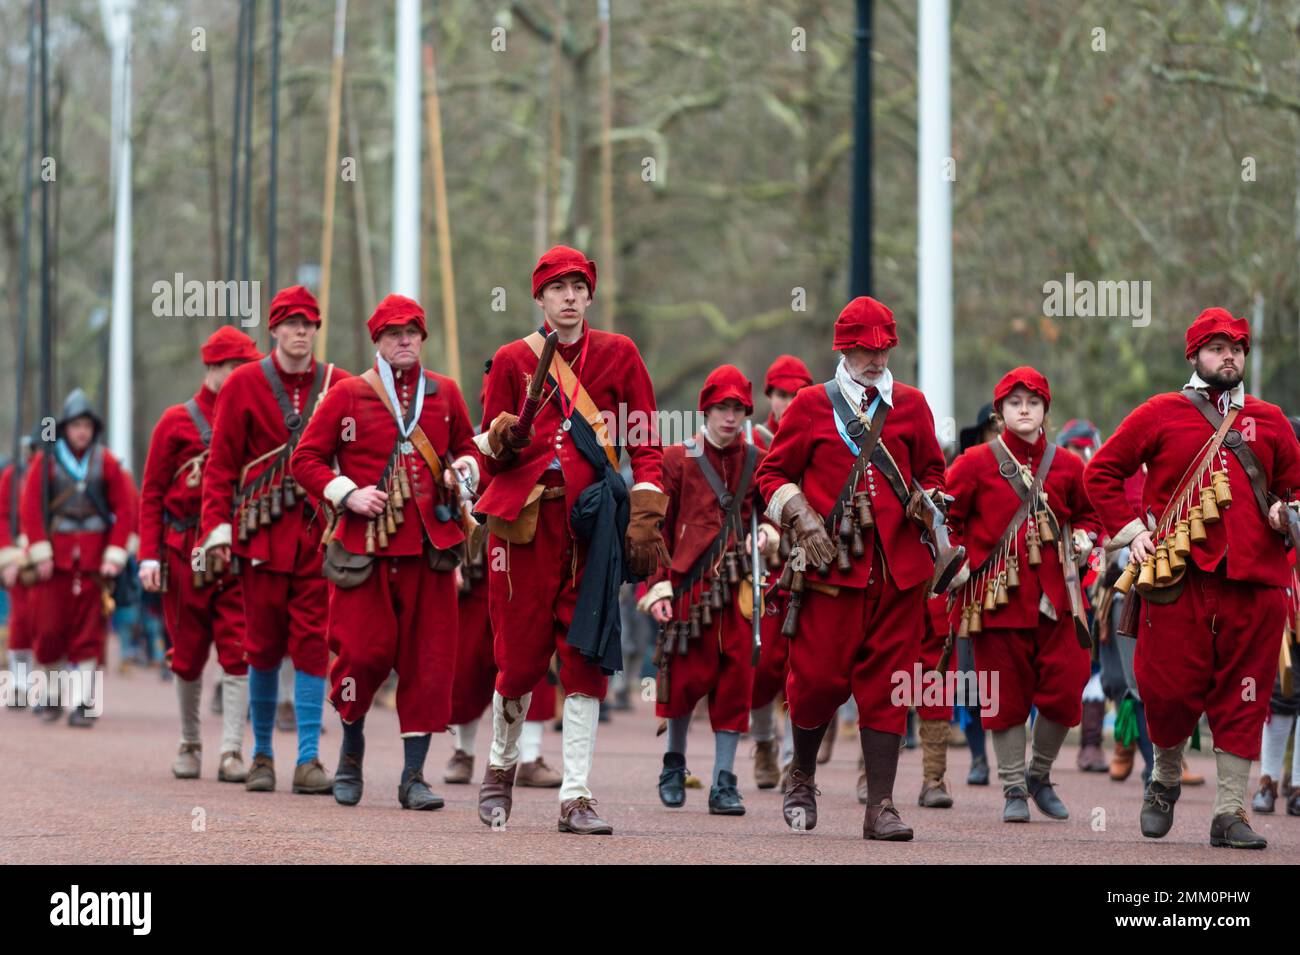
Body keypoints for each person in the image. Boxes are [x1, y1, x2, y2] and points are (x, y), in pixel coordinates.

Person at [1084, 307, 1300, 849]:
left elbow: (1295, 490)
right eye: (1217, 347)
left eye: (1237, 348)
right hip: (1177, 579)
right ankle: (1164, 776)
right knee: (1166, 690)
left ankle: (1230, 812)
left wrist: (1286, 513)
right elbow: (1102, 472)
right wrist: (1132, 532)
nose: (1229, 356)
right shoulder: (1160, 412)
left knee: (1245, 697)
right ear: (1195, 356)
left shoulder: (1271, 420)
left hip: (1254, 583)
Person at [473, 245, 668, 835]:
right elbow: (488, 457)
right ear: (539, 297)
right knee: (517, 661)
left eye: (578, 287)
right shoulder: (511, 360)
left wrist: (645, 516)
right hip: (525, 529)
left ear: (590, 295)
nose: (568, 297)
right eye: (557, 288)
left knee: (585, 658)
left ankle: (576, 796)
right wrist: (501, 439)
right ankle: (501, 768)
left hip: (592, 532)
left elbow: (647, 445)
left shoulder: (620, 354)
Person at [756, 296, 948, 841]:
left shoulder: (911, 405)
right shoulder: (812, 405)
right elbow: (771, 477)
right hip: (829, 571)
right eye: (864, 349)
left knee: (890, 687)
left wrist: (931, 497)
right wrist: (801, 517)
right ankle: (801, 775)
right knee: (815, 682)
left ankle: (881, 806)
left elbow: (933, 470)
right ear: (844, 349)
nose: (875, 358)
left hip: (898, 575)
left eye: (883, 348)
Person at [292, 294, 477, 809]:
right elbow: (305, 459)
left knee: (431, 663)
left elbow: (467, 446)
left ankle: (414, 777)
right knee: (360, 655)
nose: (404, 341)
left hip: (430, 551)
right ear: (377, 341)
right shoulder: (348, 394)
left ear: (422, 339)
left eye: (412, 333)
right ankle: (350, 755)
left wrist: (463, 470)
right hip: (363, 551)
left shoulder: (446, 392)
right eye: (394, 333)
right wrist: (345, 492)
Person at [200, 285, 350, 795]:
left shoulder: (339, 383)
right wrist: (216, 532)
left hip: (317, 536)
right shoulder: (243, 384)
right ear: (274, 329)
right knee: (261, 647)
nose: (300, 332)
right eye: (291, 324)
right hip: (259, 539)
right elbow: (220, 469)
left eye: (308, 324)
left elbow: (359, 457)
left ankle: (308, 759)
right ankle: (261, 754)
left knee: (312, 647)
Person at [945, 368, 1100, 823]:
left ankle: (1040, 775)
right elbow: (948, 521)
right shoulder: (973, 462)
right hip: (996, 597)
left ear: (1046, 411)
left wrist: (1086, 538)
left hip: (1058, 598)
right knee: (1004, 696)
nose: (1025, 409)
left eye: (1033, 402)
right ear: (1000, 413)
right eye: (1015, 403)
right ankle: (1013, 788)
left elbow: (1091, 516)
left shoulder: (1070, 465)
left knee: (1068, 686)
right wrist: (957, 559)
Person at [640, 364, 778, 815]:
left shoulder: (757, 459)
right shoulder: (677, 458)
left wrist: (768, 536)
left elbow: (773, 514)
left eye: (738, 408)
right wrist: (658, 587)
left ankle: (724, 781)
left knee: (736, 682)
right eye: (722, 407)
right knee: (681, 680)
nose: (730, 417)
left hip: (737, 589)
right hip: (688, 587)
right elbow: (655, 527)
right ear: (707, 409)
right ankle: (673, 766)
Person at [138, 326, 261, 780]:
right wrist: (148, 556)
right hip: (182, 552)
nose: (241, 377)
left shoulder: (253, 417)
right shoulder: (175, 421)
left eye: (247, 369)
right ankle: (189, 743)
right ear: (212, 367)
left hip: (233, 549)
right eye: (234, 368)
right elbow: (150, 494)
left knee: (238, 649)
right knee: (186, 653)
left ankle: (231, 751)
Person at [21, 390, 138, 725]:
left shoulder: (107, 462)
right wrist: (40, 551)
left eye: (86, 425)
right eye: (76, 425)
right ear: (66, 428)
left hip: (92, 561)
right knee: (48, 630)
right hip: (53, 561)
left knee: (89, 633)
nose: (81, 432)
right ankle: (52, 696)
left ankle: (86, 702)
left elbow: (126, 508)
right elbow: (31, 508)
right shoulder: (46, 462)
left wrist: (114, 555)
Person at [749, 355, 814, 790]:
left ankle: (795, 756)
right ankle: (764, 742)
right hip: (768, 564)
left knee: (806, 662)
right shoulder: (754, 440)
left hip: (813, 558)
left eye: (796, 393)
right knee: (766, 664)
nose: (789, 401)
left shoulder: (820, 429)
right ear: (769, 395)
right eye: (781, 393)